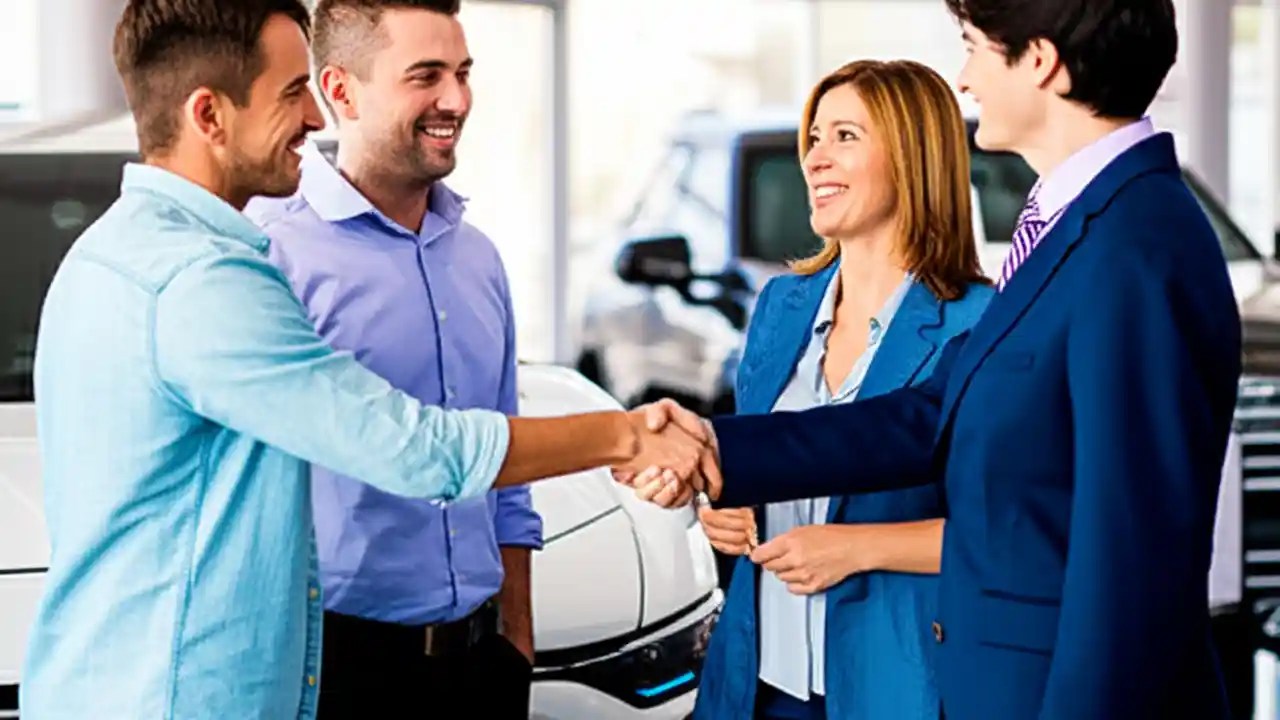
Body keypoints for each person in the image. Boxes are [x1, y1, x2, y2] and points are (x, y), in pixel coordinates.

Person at [20, 2, 703, 719]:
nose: (314, 119)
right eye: (292, 93)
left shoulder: (110, 254)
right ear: (209, 115)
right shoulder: (207, 279)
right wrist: (624, 434)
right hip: (184, 693)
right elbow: (417, 449)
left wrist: (514, 640)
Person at [632, 1, 1242, 718]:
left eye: (976, 46)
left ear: (1039, 61)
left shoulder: (1137, 247)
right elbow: (925, 419)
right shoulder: (1074, 225)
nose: (965, 76)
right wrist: (716, 447)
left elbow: (1130, 570)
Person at [243, 1, 537, 717]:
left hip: (478, 665)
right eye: (426, 76)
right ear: (340, 91)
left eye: (463, 74)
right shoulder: (271, 252)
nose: (457, 100)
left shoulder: (479, 258)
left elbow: (508, 475)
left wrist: (518, 643)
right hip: (338, 671)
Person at [682, 59, 992, 720]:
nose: (816, 159)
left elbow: (1006, 530)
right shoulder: (780, 305)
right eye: (814, 139)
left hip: (896, 684)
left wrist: (857, 548)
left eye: (846, 137)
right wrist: (725, 512)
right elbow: (763, 457)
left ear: (913, 157)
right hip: (756, 683)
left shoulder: (983, 322)